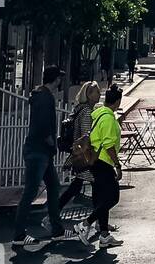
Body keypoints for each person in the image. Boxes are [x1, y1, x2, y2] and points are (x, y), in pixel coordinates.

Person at [11, 65, 67, 248]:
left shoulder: (40, 95)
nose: (61, 82)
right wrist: (51, 140)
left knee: (53, 187)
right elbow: (43, 124)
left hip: (41, 152)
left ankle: (57, 230)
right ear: (55, 79)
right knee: (30, 192)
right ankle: (19, 234)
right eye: (59, 78)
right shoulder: (45, 97)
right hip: (39, 151)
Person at [82, 84, 124, 247]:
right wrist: (117, 165)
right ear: (118, 102)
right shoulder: (107, 118)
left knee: (102, 199)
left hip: (97, 162)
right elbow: (108, 144)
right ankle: (86, 223)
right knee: (113, 197)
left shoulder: (99, 114)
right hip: (103, 161)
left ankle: (104, 235)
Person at [58, 80, 101, 213]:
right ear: (89, 95)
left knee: (76, 187)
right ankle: (99, 221)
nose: (99, 94)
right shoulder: (87, 112)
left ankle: (99, 220)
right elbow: (86, 136)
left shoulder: (80, 109)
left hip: (80, 154)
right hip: (85, 156)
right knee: (96, 186)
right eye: (97, 92)